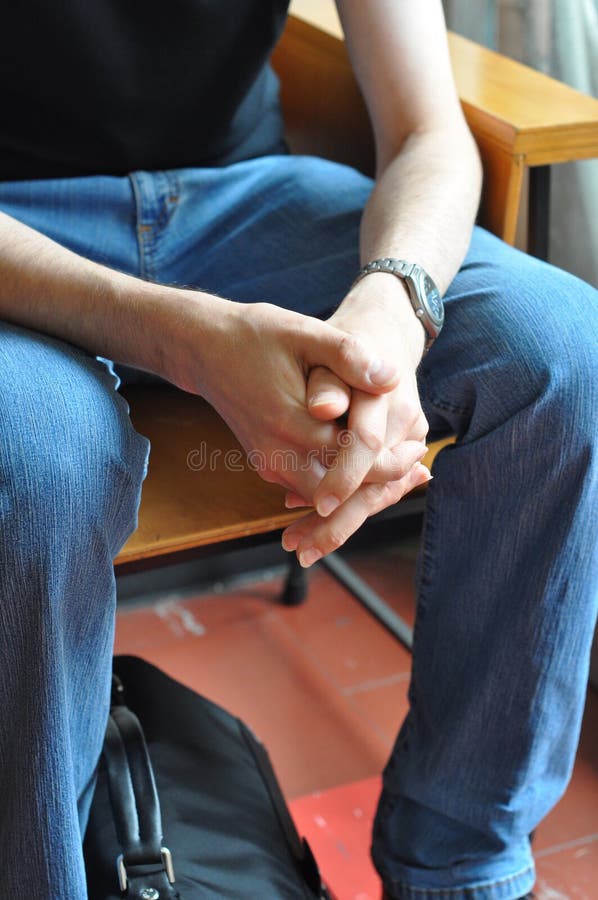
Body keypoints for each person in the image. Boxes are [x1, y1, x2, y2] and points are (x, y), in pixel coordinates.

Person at [0, 0, 596, 897]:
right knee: (40, 460)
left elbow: (428, 130)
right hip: (19, 233)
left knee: (564, 352)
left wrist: (393, 306)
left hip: (247, 201)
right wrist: (184, 339)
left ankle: (460, 870)